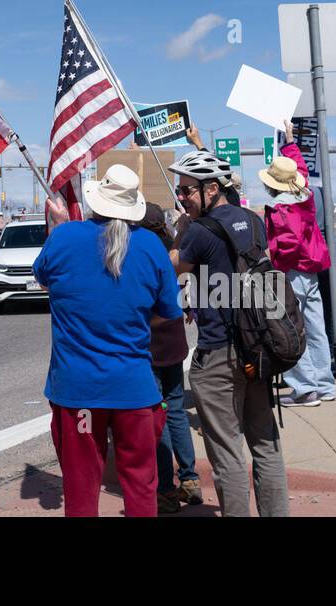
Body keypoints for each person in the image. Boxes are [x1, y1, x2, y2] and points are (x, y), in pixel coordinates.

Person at [32, 165, 182, 517]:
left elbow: (44, 281)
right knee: (142, 485)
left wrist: (55, 230)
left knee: (81, 487)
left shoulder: (65, 238)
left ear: (96, 201)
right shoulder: (149, 246)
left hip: (78, 389)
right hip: (134, 387)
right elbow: (167, 313)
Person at [168, 149, 289, 517]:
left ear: (212, 188)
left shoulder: (199, 231)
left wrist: (181, 233)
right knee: (266, 445)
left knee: (226, 452)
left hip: (219, 352)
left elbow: (172, 268)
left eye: (187, 190)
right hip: (258, 346)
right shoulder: (254, 221)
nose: (182, 197)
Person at [260, 122, 336, 406]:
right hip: (311, 267)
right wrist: (290, 141)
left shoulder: (281, 206)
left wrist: (275, 266)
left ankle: (304, 388)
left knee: (291, 328)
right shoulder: (304, 196)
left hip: (292, 270)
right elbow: (300, 169)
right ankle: (324, 383)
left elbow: (288, 243)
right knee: (315, 327)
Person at [141, 203, 201, 514]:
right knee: (175, 409)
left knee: (158, 413)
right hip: (174, 339)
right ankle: (190, 480)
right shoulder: (174, 249)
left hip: (149, 341)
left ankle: (165, 489)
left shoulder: (139, 251)